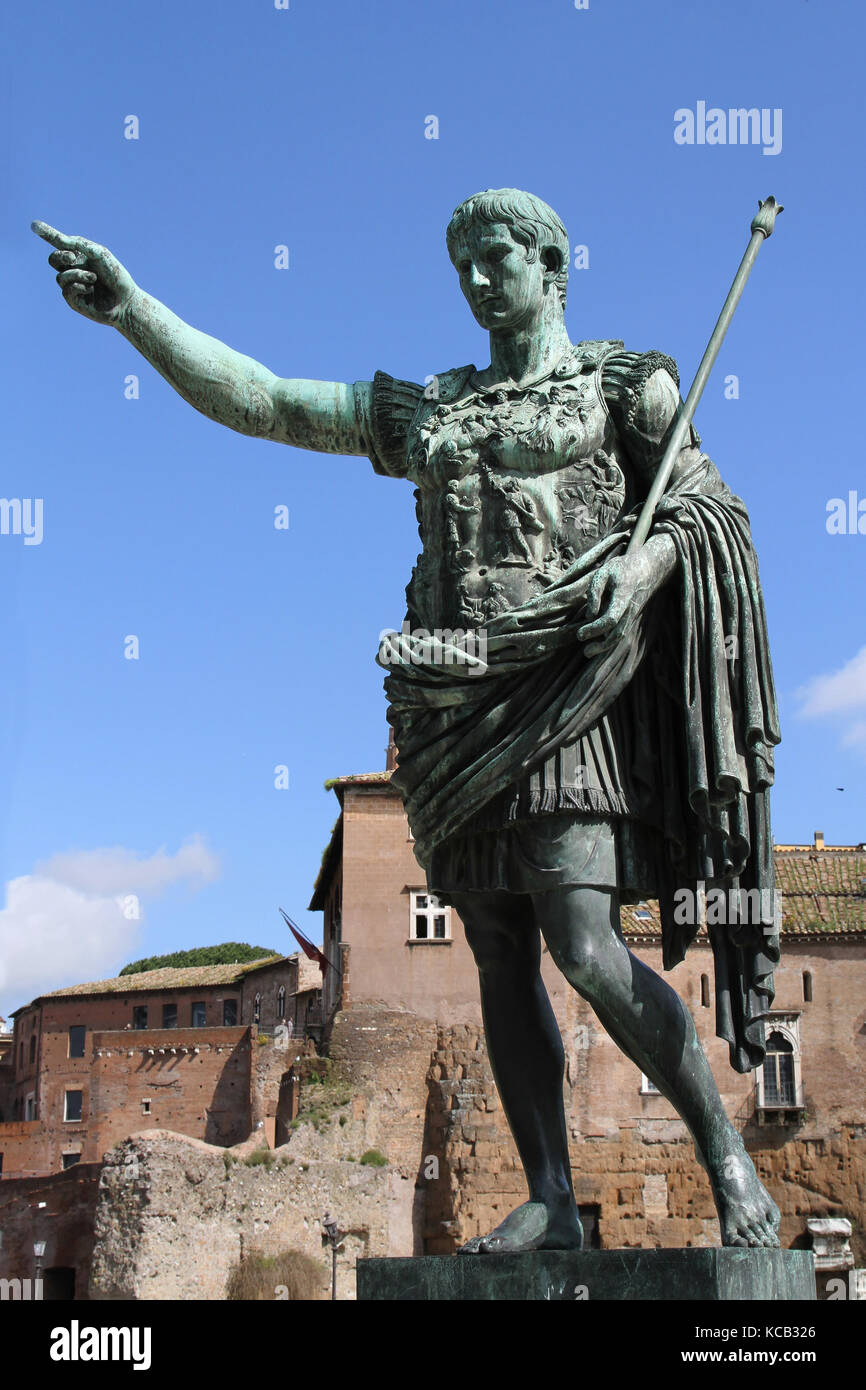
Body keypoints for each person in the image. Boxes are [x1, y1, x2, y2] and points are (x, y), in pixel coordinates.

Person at [33, 186, 781, 1252]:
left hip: (566, 693)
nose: (477, 282)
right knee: (493, 948)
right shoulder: (432, 407)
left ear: (551, 263)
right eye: (461, 265)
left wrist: (640, 567)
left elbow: (705, 505)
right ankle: (552, 1197)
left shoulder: (625, 383)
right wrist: (135, 312)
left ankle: (722, 1155)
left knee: (583, 939)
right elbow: (270, 401)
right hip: (450, 707)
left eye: (495, 260)